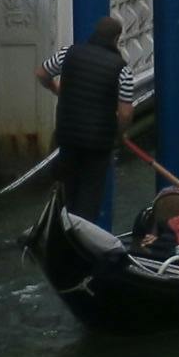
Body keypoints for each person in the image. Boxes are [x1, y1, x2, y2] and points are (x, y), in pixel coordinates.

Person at [51, 12, 126, 227]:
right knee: (89, 199)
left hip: (68, 137)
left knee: (69, 192)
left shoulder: (69, 53)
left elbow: (42, 73)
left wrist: (58, 90)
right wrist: (120, 133)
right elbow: (126, 112)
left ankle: (63, 233)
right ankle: (81, 239)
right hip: (98, 143)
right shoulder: (120, 68)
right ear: (116, 39)